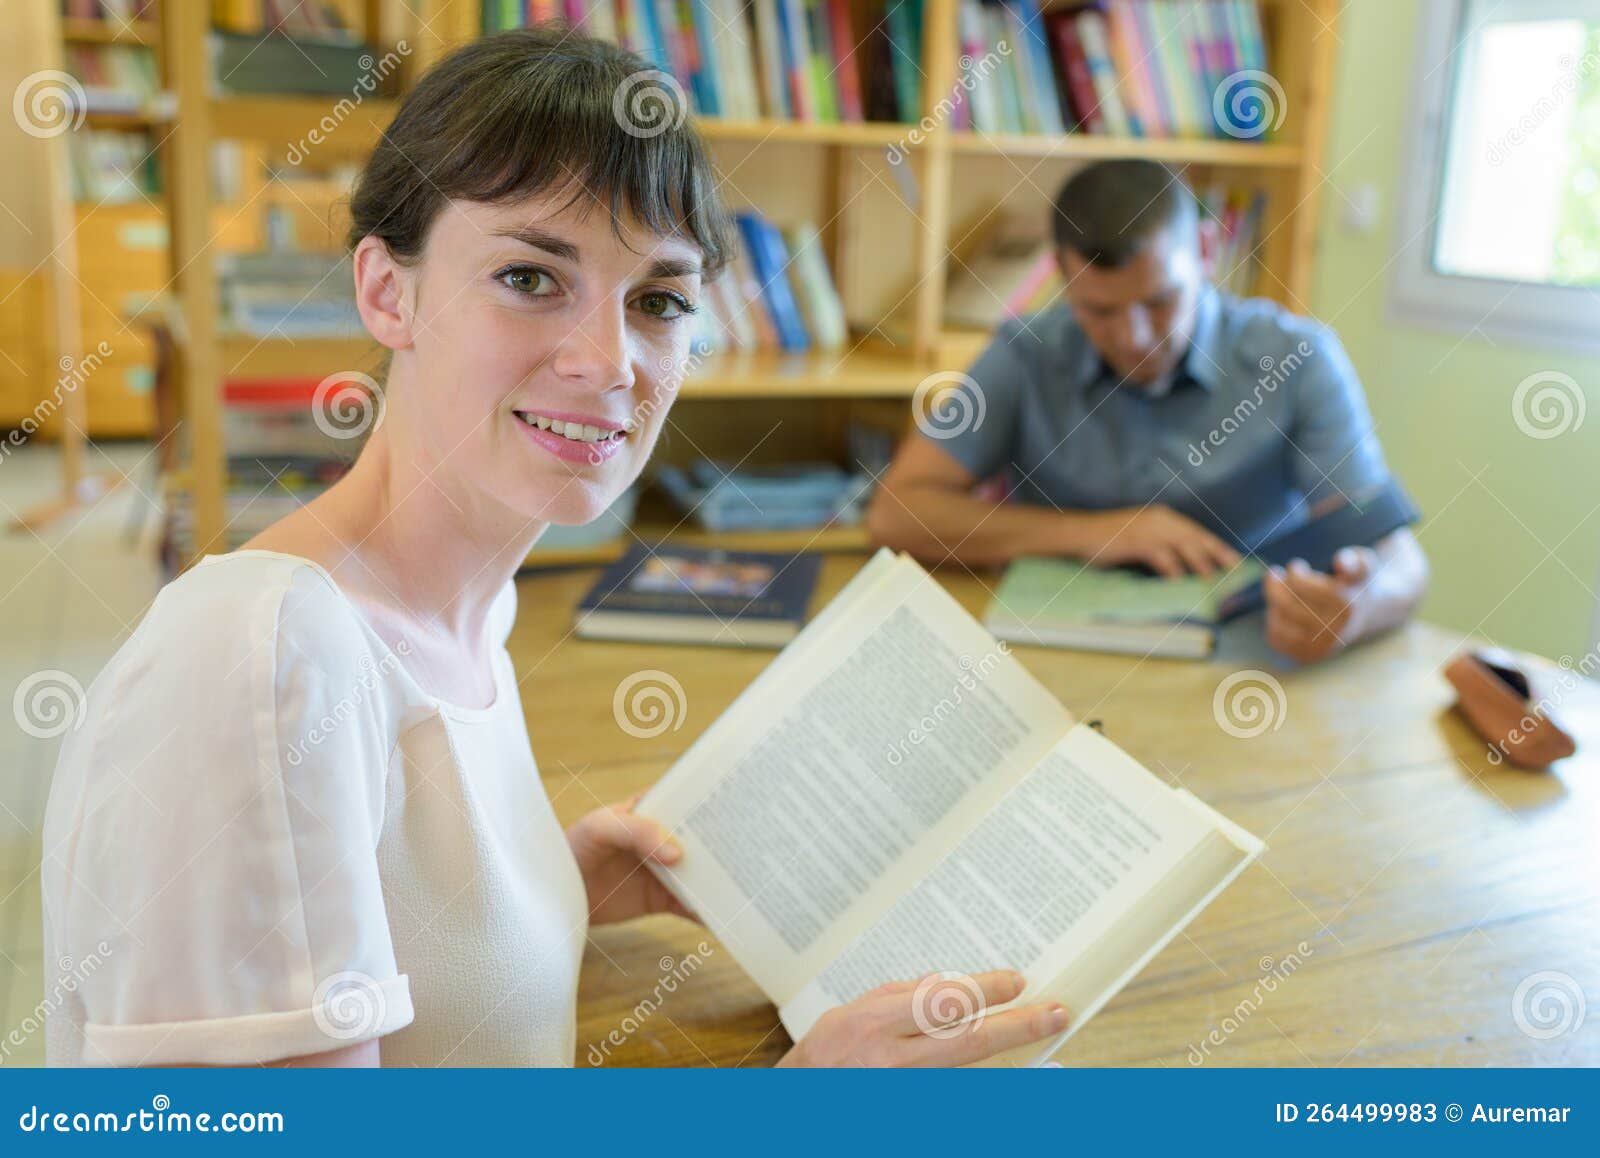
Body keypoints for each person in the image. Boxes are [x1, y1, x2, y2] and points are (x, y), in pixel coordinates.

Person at [40, 29, 1068, 1068]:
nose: (606, 362)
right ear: (387, 291)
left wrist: (541, 895)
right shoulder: (263, 655)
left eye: (658, 301)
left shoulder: (470, 607)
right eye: (531, 277)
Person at [867, 160, 1428, 665]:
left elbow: (1399, 558)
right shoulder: (1023, 353)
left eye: (1159, 301)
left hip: (1248, 663)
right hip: (1063, 658)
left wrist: (1357, 606)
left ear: (1207, 251)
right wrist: (1096, 533)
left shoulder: (1298, 358)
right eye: (1099, 309)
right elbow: (895, 514)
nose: (1133, 338)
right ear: (1062, 279)